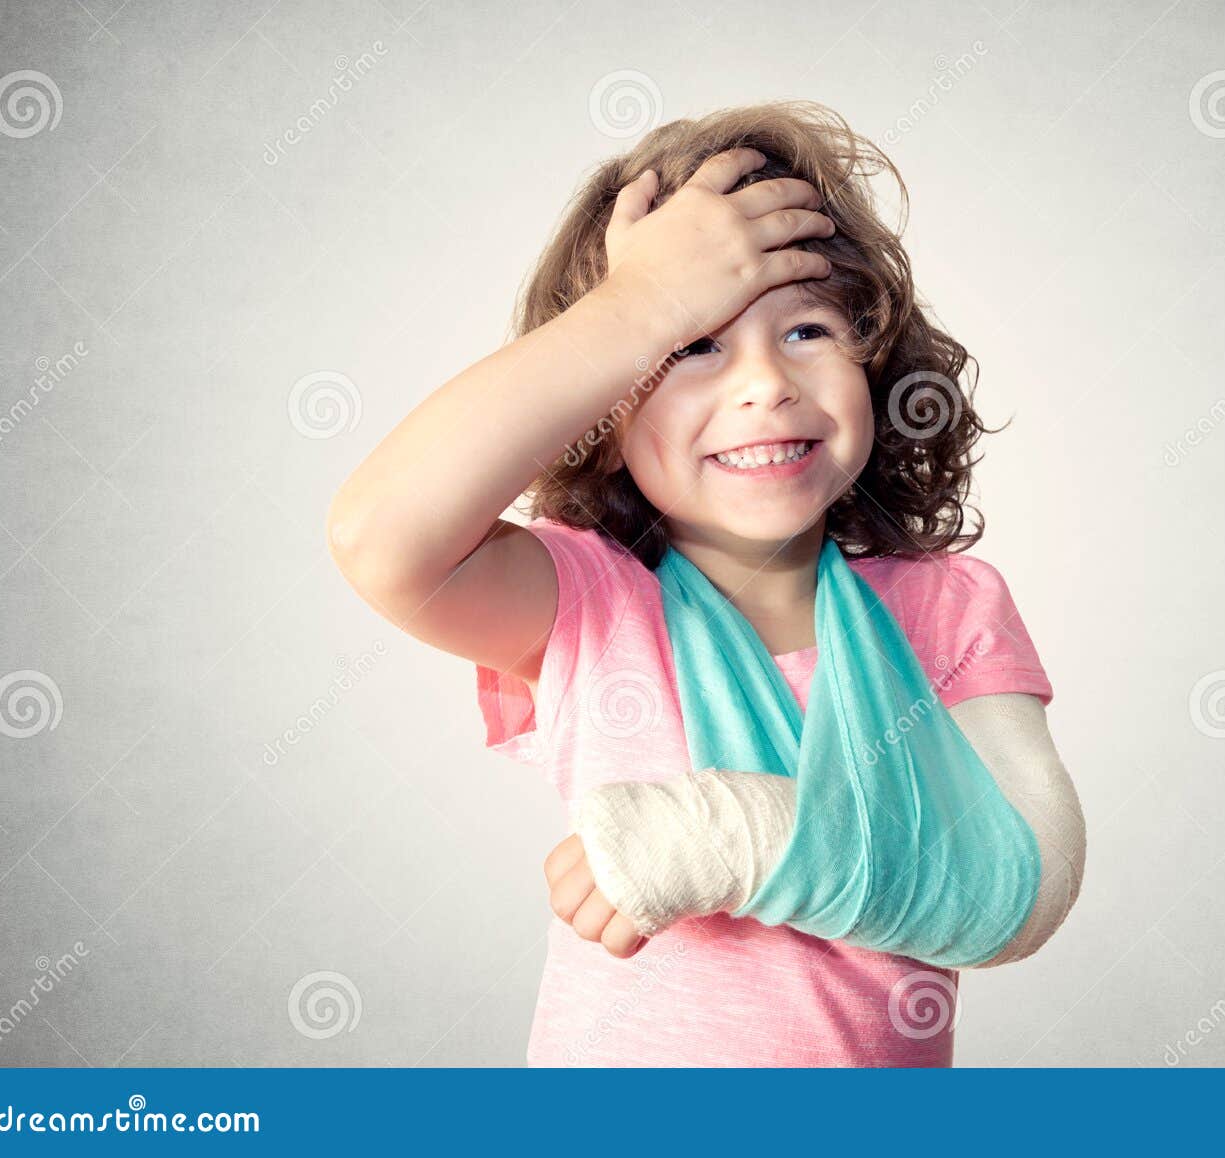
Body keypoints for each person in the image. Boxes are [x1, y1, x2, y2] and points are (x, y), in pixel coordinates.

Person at [328, 100, 1086, 1066]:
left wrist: (730, 838)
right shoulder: (585, 604)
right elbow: (381, 539)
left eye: (806, 329)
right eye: (693, 346)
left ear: (876, 360)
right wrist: (639, 304)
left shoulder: (946, 607)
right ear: (602, 403)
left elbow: (1017, 893)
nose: (765, 383)